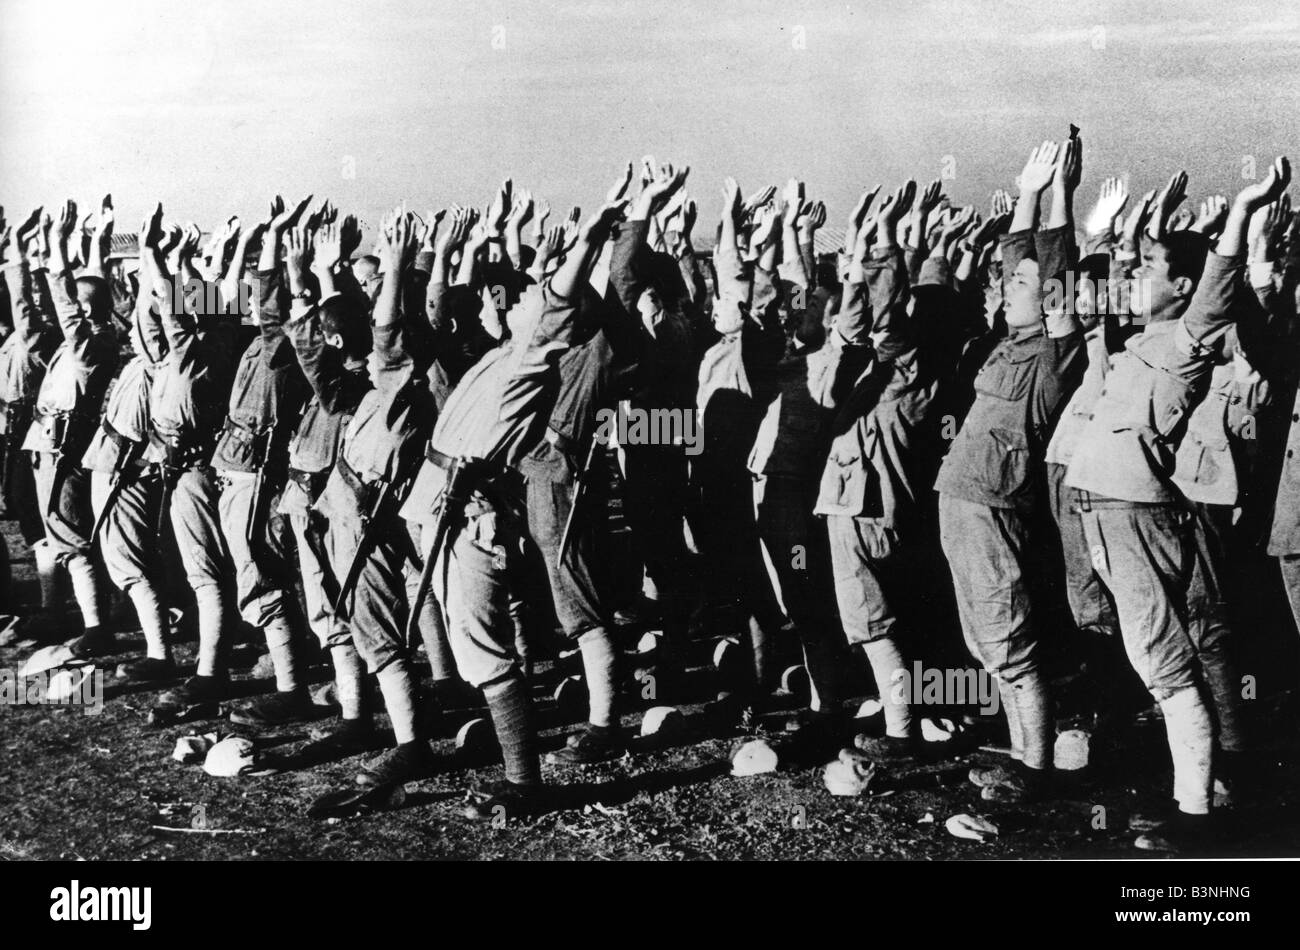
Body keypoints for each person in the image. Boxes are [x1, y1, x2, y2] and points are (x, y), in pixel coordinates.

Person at [1066, 156, 1292, 852]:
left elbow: (1217, 294)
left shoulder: (1186, 341)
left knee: (1166, 666)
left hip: (1135, 513)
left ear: (1184, 287)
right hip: (1114, 511)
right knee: (1164, 660)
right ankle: (1199, 795)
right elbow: (1094, 308)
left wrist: (1244, 216)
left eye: (1152, 267)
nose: (1138, 277)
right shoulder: (1137, 339)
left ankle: (1196, 817)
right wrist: (1108, 242)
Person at [935, 136, 1087, 804]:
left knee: (1006, 634)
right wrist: (1024, 193)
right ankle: (1019, 742)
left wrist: (1061, 196)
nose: (1007, 288)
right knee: (984, 636)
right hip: (966, 505)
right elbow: (1016, 262)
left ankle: (1033, 769)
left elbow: (1051, 273)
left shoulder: (1056, 352)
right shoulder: (1009, 344)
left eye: (1022, 286)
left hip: (995, 506)